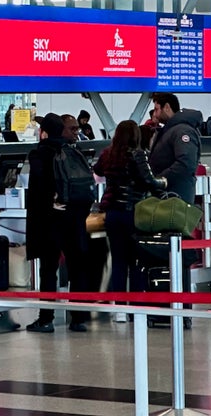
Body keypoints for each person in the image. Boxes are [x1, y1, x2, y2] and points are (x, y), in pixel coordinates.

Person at [24, 113, 95, 333]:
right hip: (74, 218)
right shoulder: (73, 151)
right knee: (77, 267)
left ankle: (46, 319)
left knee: (48, 270)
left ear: (43, 132)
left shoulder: (40, 154)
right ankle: (78, 318)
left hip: (50, 221)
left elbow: (39, 189)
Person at [94, 120, 166, 320]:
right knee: (136, 262)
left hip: (112, 213)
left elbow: (98, 171)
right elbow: (149, 181)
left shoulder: (107, 154)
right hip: (134, 213)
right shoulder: (138, 154)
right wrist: (164, 182)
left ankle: (119, 309)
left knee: (118, 261)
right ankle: (136, 308)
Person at [147, 93, 202, 204]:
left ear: (167, 107)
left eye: (157, 109)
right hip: (169, 196)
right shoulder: (170, 131)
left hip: (177, 198)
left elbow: (185, 163)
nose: (155, 115)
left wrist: (160, 180)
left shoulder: (182, 131)